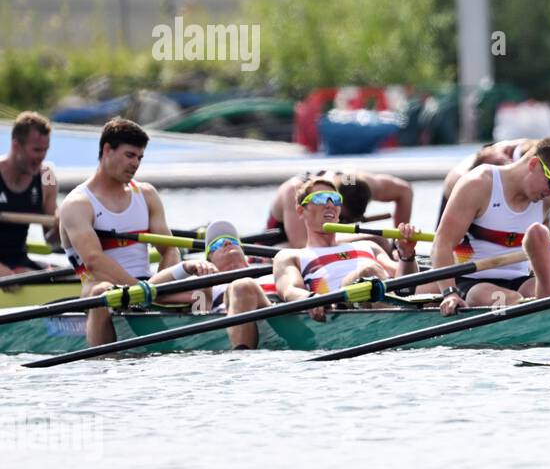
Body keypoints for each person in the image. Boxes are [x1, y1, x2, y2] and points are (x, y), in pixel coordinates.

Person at [58, 118, 183, 346]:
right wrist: (139, 290)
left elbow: (170, 249)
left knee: (202, 289)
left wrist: (157, 288)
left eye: (140, 158)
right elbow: (94, 261)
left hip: (146, 288)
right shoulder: (77, 203)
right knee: (102, 292)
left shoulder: (147, 195)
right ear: (107, 150)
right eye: (129, 155)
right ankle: (104, 360)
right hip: (100, 288)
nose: (135, 163)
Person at [428, 136, 550, 314]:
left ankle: (537, 309)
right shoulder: (479, 184)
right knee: (496, 298)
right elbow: (442, 244)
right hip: (473, 281)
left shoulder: (548, 200)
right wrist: (449, 293)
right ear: (533, 164)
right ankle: (532, 311)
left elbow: (540, 256)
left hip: (521, 280)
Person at [273, 177, 421, 321]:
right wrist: (312, 299)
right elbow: (290, 290)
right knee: (368, 271)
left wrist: (407, 255)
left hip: (381, 300)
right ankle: (402, 322)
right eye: (321, 198)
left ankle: (401, 317)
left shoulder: (369, 246)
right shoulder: (291, 256)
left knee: (436, 278)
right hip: (337, 308)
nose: (330, 204)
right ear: (300, 211)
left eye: (335, 199)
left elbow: (405, 284)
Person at [148, 220, 279, 349]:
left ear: (245, 258)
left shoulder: (271, 272)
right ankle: (241, 354)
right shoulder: (205, 287)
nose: (227, 242)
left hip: (275, 309)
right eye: (218, 244)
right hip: (237, 308)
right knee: (241, 287)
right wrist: (185, 267)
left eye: (233, 241)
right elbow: (150, 291)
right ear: (210, 261)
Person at [438, 137, 550, 232]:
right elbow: (443, 246)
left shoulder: (544, 194)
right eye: (499, 165)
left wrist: (537, 146)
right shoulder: (471, 181)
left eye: (507, 161)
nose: (508, 166)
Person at [267, 169, 413, 248]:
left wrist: (397, 243)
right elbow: (300, 245)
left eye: (347, 219)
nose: (340, 219)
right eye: (344, 218)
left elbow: (405, 191)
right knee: (378, 242)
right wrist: (373, 239)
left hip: (329, 240)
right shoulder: (295, 191)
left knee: (382, 245)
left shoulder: (364, 183)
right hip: (282, 243)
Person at [0, 111, 59, 277]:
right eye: (36, 150)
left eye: (45, 150)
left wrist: (61, 227)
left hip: (19, 264)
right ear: (16, 145)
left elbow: (51, 240)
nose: (42, 157)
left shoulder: (47, 178)